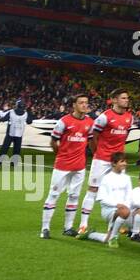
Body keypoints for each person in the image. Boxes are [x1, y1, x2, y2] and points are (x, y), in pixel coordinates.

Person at [80, 89, 133, 234]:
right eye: (123, 98)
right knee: (93, 189)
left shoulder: (129, 117)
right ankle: (83, 224)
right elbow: (93, 136)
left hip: (119, 161)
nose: (126, 100)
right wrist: (98, 152)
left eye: (127, 98)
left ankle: (117, 222)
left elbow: (124, 136)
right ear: (114, 100)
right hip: (102, 159)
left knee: (119, 192)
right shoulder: (105, 117)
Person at [40, 93, 93, 238]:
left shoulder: (89, 122)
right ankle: (45, 228)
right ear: (74, 105)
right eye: (81, 102)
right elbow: (53, 141)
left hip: (79, 166)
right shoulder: (64, 121)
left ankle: (68, 227)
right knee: (54, 194)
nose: (84, 105)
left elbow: (90, 140)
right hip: (62, 165)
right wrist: (61, 154)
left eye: (86, 103)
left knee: (74, 196)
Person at [86, 153, 133, 247]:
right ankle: (113, 238)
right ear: (114, 163)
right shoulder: (106, 178)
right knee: (125, 212)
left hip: (124, 209)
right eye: (122, 161)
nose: (125, 163)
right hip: (109, 210)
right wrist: (117, 205)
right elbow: (101, 199)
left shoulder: (127, 178)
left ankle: (90, 234)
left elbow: (129, 196)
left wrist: (125, 205)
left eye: (125, 161)